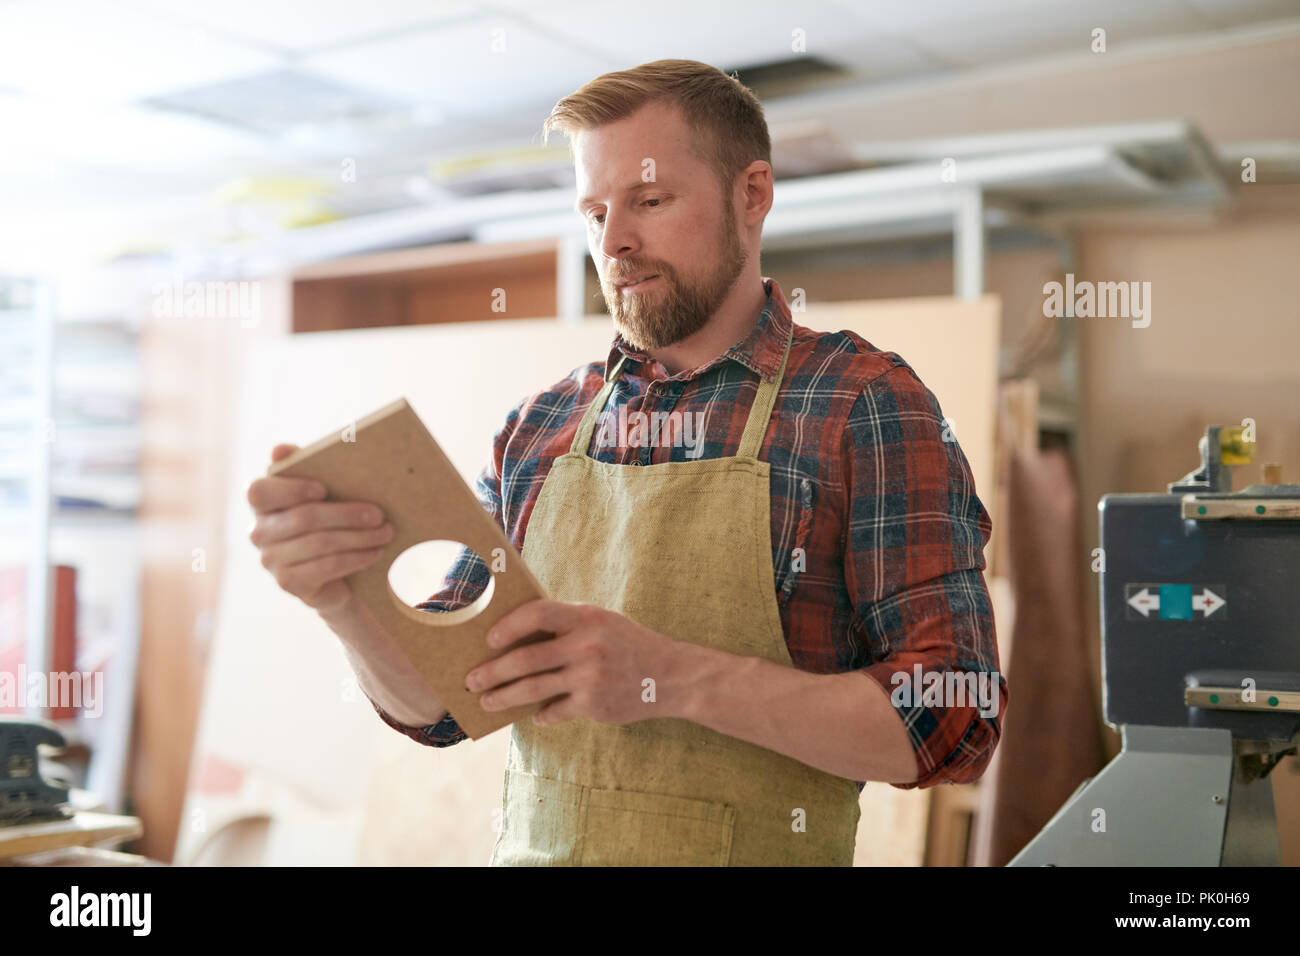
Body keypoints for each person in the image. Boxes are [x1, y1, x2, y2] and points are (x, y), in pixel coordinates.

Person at [246, 59, 1006, 866]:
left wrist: (668, 678)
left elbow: (951, 719)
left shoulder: (863, 405)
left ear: (752, 195)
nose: (614, 243)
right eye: (594, 211)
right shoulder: (541, 427)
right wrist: (340, 603)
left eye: (648, 201)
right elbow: (442, 704)